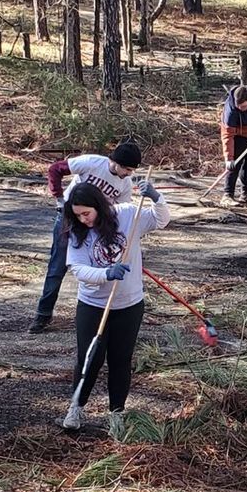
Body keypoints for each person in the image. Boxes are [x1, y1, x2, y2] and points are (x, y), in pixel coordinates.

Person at [60, 178, 168, 439]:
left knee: (121, 360)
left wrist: (157, 198)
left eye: (86, 213)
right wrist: (106, 273)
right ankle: (76, 407)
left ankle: (116, 414)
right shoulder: (78, 231)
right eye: (78, 215)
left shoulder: (127, 215)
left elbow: (160, 220)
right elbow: (78, 269)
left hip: (129, 304)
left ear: (99, 205)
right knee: (90, 357)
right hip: (93, 304)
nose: (84, 219)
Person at [32, 140, 143, 334]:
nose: (128, 174)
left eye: (132, 170)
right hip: (71, 219)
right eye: (126, 168)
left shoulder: (125, 184)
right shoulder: (92, 163)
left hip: (98, 225)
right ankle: (43, 315)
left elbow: (120, 212)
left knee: (101, 264)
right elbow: (56, 169)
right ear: (115, 162)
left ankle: (99, 314)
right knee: (58, 267)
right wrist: (59, 199)